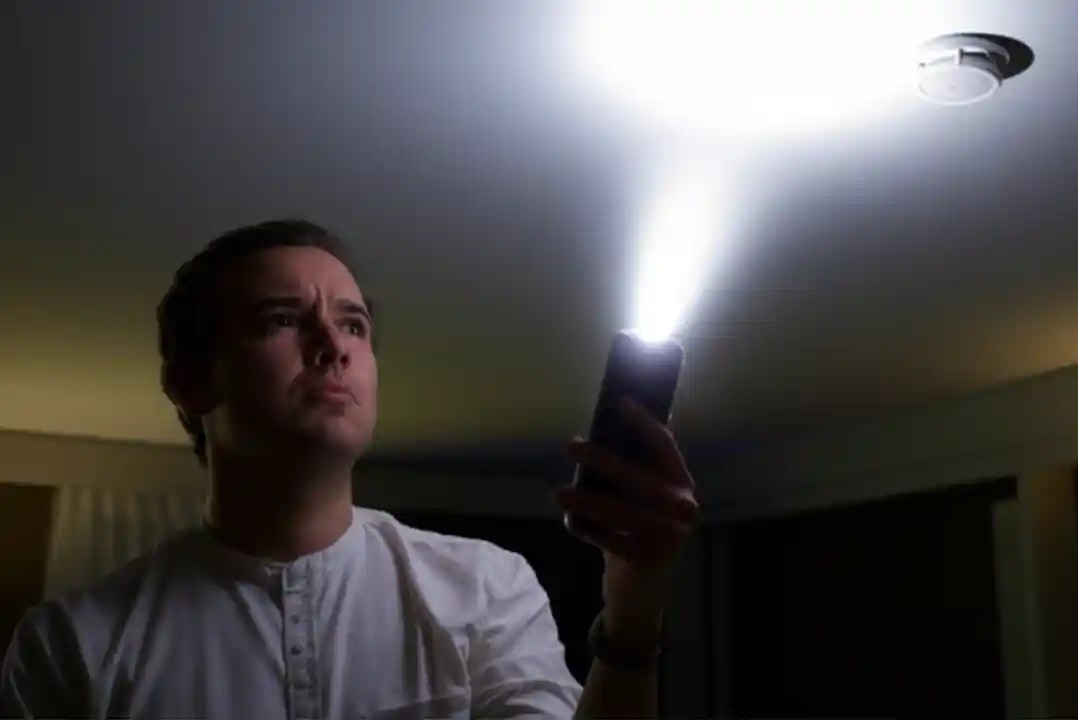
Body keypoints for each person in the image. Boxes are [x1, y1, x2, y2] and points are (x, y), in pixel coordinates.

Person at [0, 220, 699, 719]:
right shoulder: (75, 644)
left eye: (354, 323)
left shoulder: (486, 590)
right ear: (188, 383)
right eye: (281, 318)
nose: (332, 345)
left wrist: (635, 604)